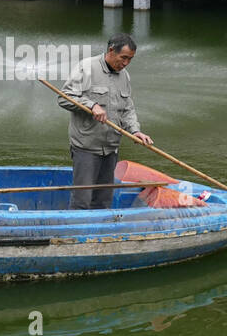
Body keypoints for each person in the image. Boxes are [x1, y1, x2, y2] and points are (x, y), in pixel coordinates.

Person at [56, 32, 154, 209]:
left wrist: (135, 131)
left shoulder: (124, 76)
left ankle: (98, 234)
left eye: (130, 59)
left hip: (111, 148)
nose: (125, 63)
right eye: (123, 58)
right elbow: (65, 98)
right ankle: (77, 234)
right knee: (82, 200)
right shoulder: (86, 68)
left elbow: (127, 108)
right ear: (111, 50)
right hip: (86, 147)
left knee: (103, 200)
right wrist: (91, 105)